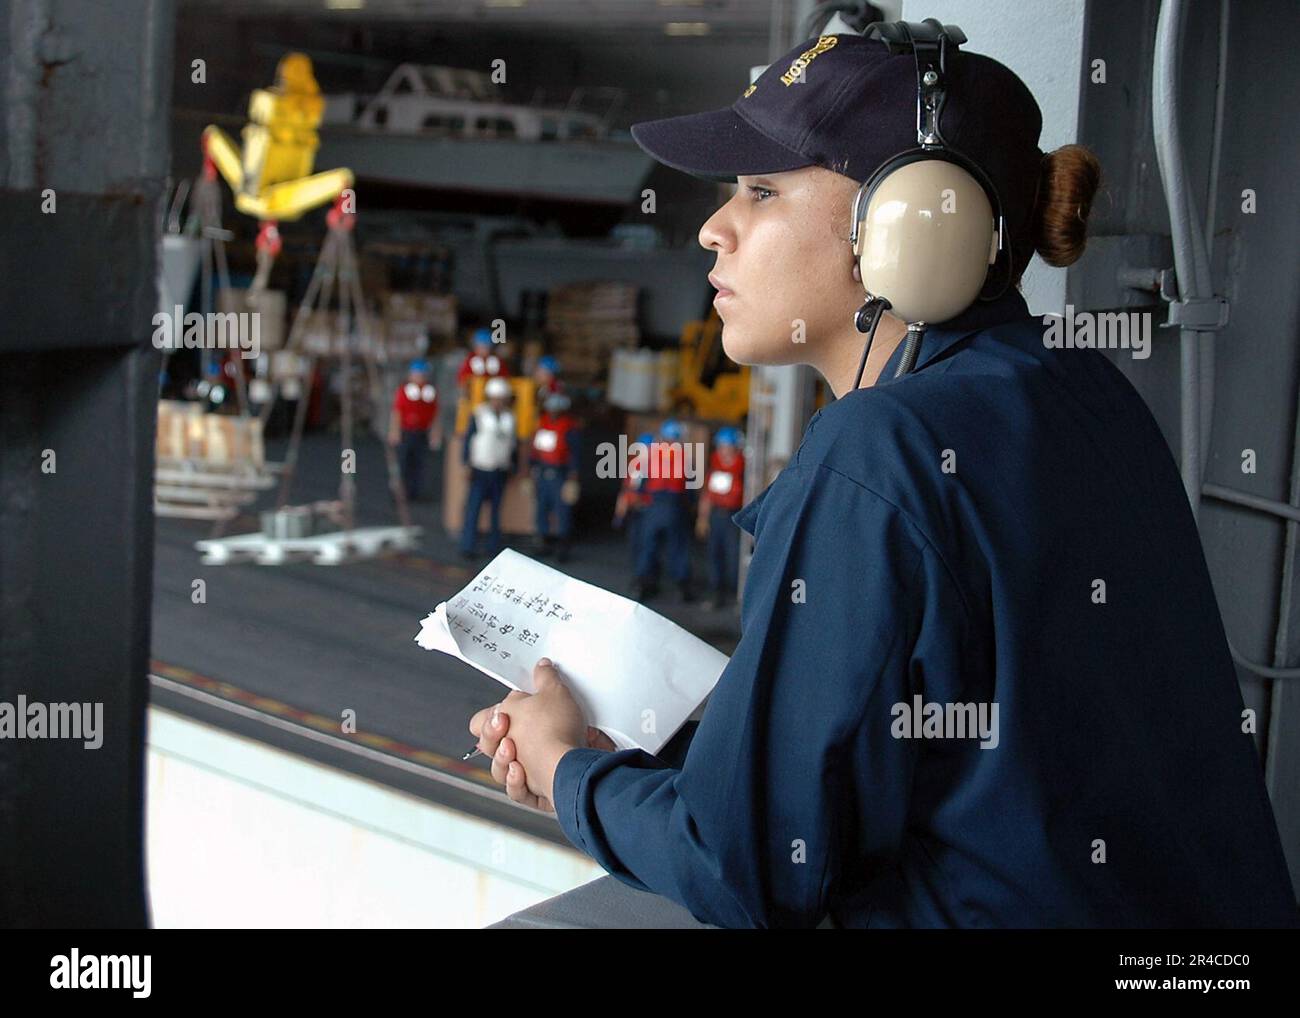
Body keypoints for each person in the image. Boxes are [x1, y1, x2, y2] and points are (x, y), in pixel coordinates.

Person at [466, 29, 1298, 928]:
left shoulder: (880, 448)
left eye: (760, 191)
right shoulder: (1083, 385)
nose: (714, 227)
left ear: (908, 224)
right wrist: (673, 759)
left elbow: (746, 869)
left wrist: (564, 770)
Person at [633, 419, 694, 603]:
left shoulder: (651, 455)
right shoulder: (684, 457)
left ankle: (645, 585)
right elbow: (690, 489)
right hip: (675, 507)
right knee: (678, 548)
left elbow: (641, 484)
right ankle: (683, 587)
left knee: (649, 547)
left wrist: (640, 499)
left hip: (653, 507)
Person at [459, 376, 517, 559]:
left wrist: (512, 465)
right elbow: (469, 440)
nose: (498, 402)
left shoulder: (510, 418)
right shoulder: (479, 414)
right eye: (495, 398)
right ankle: (468, 545)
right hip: (480, 467)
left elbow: (512, 443)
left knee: (496, 510)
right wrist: (466, 463)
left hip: (500, 469)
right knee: (473, 508)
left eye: (501, 398)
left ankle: (493, 546)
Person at [696, 426, 745, 610]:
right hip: (717, 516)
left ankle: (737, 598)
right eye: (720, 446)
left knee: (734, 558)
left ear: (735, 447)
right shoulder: (715, 464)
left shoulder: (744, 468)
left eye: (727, 446)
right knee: (714, 555)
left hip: (735, 517)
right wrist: (702, 518)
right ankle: (717, 595)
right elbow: (708, 494)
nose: (723, 450)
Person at [529, 391, 581, 562]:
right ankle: (542, 543)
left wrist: (573, 478)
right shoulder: (542, 424)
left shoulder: (569, 427)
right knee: (542, 508)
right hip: (543, 472)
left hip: (560, 474)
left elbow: (575, 454)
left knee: (562, 511)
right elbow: (535, 450)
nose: (552, 411)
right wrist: (530, 470)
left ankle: (563, 547)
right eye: (550, 408)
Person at [387, 358, 442, 501]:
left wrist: (435, 433)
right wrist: (394, 431)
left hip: (421, 432)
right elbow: (397, 412)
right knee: (403, 463)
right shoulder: (404, 391)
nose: (420, 378)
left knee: (419, 463)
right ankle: (398, 492)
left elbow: (435, 414)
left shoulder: (430, 393)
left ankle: (414, 491)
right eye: (417, 375)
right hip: (406, 431)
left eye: (422, 375)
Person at [613, 431, 655, 578]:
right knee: (635, 543)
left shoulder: (657, 469)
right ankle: (638, 575)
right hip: (634, 512)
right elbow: (626, 488)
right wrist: (621, 506)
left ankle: (646, 578)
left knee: (648, 546)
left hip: (648, 513)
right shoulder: (634, 466)